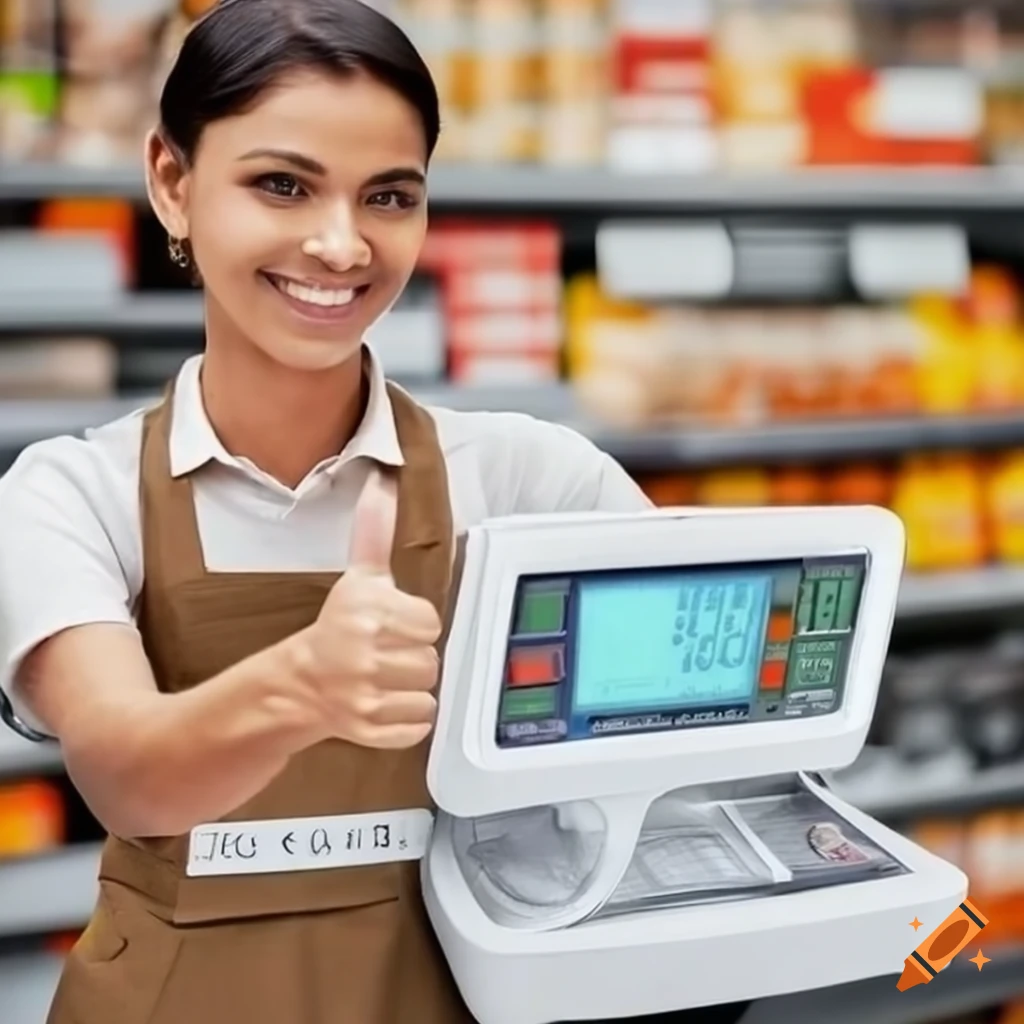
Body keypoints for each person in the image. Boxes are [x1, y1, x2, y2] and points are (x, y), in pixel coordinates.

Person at [0, 2, 751, 1022]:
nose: (341, 244)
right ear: (172, 184)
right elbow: (128, 773)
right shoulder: (67, 495)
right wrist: (305, 683)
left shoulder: (533, 479)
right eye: (281, 184)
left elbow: (693, 733)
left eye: (388, 196)